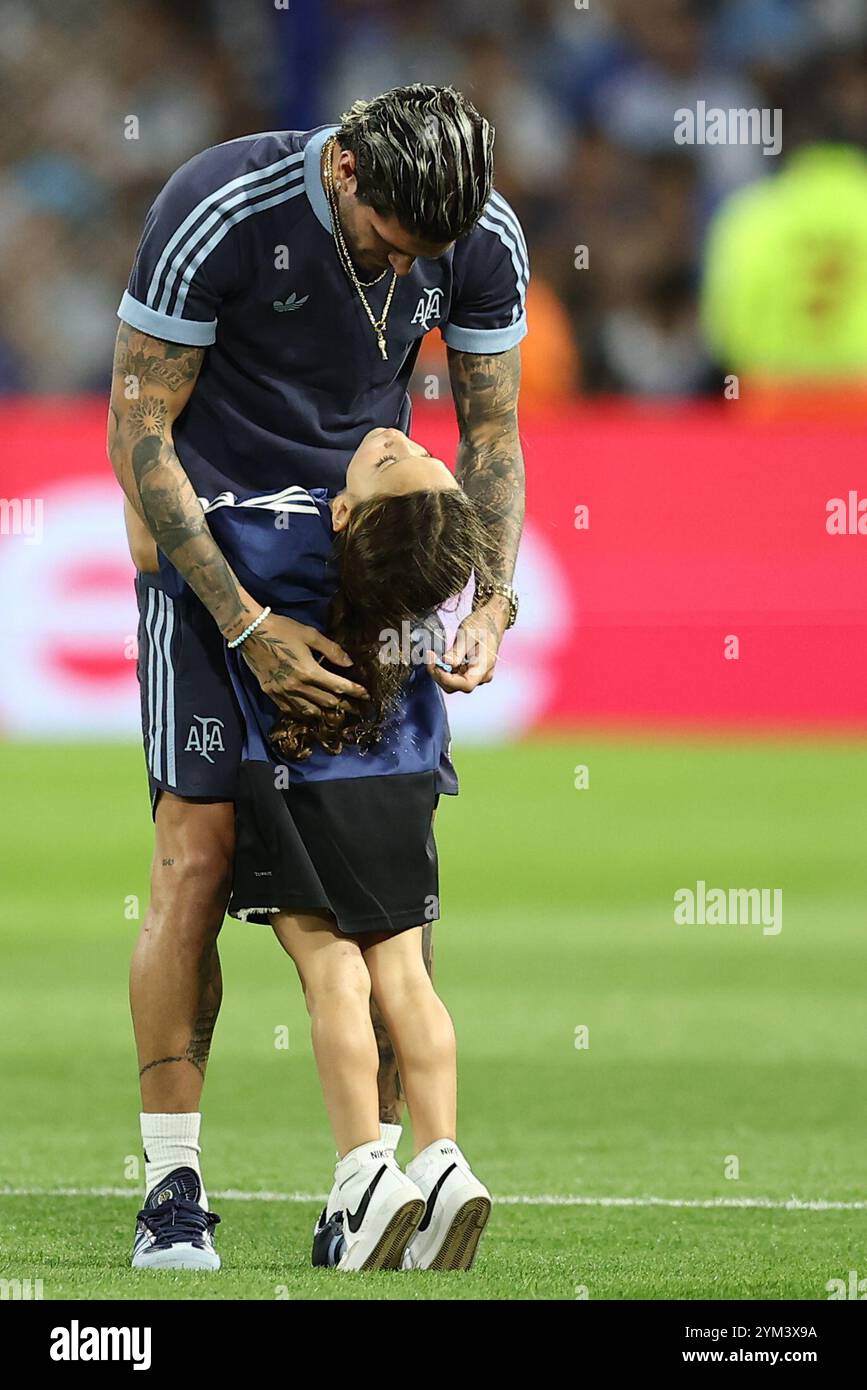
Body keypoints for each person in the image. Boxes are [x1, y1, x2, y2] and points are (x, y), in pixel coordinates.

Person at [108, 84, 527, 1270]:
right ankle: (173, 1185)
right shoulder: (218, 206)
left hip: (364, 566)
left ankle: (378, 1182)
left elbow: (491, 436)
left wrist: (490, 596)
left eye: (427, 258)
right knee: (192, 854)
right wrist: (242, 623)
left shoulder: (478, 233)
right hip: (215, 568)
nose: (409, 277)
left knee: (389, 898)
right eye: (392, 246)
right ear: (345, 171)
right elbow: (138, 429)